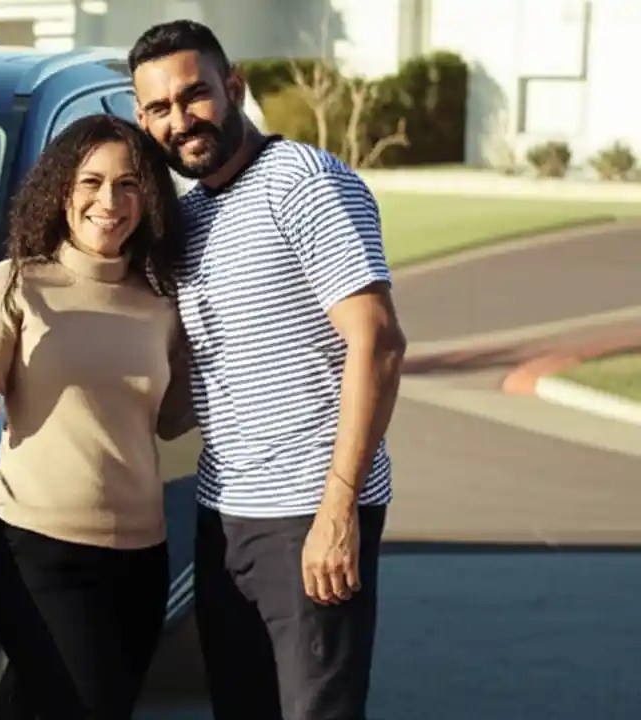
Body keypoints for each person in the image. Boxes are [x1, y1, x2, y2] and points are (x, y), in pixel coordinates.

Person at [127, 19, 408, 720]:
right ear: (142, 119)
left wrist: (337, 510)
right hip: (226, 513)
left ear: (235, 87)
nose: (180, 120)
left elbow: (379, 343)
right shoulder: (188, 217)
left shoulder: (306, 184)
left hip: (310, 508)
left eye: (194, 96)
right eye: (159, 108)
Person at [0, 114, 194, 719]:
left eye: (128, 184)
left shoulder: (162, 298)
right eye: (91, 182)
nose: (109, 201)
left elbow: (174, 424)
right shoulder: (16, 284)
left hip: (142, 559)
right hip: (41, 554)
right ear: (61, 190)